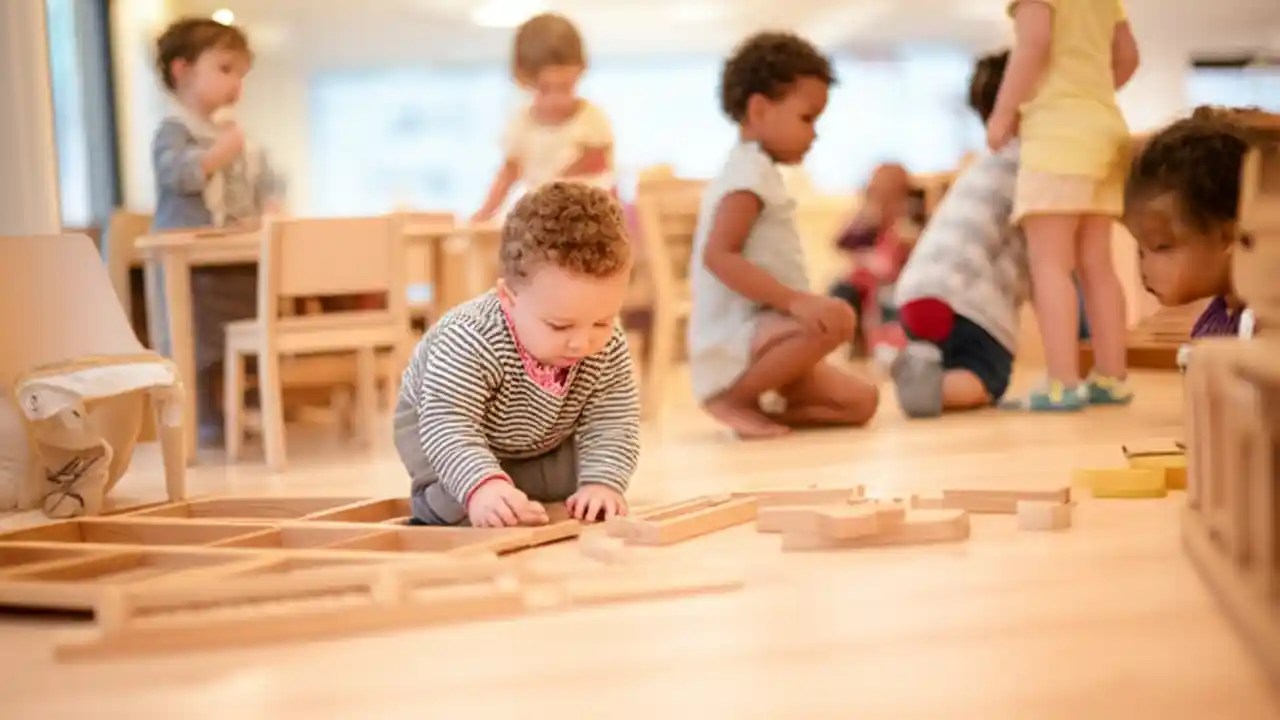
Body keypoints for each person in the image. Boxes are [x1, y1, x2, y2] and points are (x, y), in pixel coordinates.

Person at [395, 183, 639, 527]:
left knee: (575, 480)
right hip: (437, 417)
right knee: (457, 494)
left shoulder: (607, 342)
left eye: (601, 321)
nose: (582, 343)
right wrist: (481, 487)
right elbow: (449, 421)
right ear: (508, 298)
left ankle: (510, 489)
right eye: (559, 326)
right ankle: (463, 492)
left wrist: (603, 483)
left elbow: (614, 418)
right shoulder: (470, 337)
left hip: (539, 428)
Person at [688, 31, 879, 439]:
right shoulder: (746, 173)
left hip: (769, 337)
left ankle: (773, 408)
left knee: (863, 402)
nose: (814, 134)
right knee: (839, 318)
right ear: (758, 111)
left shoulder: (759, 170)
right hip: (736, 341)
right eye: (807, 119)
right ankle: (733, 398)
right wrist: (796, 301)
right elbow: (719, 256)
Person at [987, 0, 1141, 411]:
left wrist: (1003, 113)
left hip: (1058, 134)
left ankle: (1062, 382)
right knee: (1098, 263)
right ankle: (1111, 377)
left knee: (1050, 263)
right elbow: (1128, 58)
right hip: (1105, 128)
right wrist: (1091, 93)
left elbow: (1034, 42)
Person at [151, 18, 281, 443]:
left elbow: (266, 180)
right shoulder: (175, 129)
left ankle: (251, 406)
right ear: (182, 70)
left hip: (235, 257)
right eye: (225, 70)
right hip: (190, 266)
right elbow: (175, 175)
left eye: (241, 75)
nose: (236, 86)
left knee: (255, 316)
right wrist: (217, 154)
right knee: (201, 338)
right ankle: (208, 416)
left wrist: (270, 207)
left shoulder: (237, 134)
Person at [891, 51, 1030, 417]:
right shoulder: (1032, 162)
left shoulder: (983, 164)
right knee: (987, 376)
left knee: (953, 355)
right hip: (968, 300)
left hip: (918, 291)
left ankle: (918, 364)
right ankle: (929, 388)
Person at [1124, 107, 1257, 344]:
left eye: (1161, 246)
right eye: (1140, 250)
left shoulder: (1262, 329)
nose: (1144, 267)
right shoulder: (1219, 317)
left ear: (1229, 237)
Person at [472, 13, 614, 222]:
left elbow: (598, 161)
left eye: (566, 87)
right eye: (545, 89)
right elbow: (509, 173)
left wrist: (556, 185)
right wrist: (484, 213)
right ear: (525, 81)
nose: (557, 99)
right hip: (542, 218)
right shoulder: (521, 124)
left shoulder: (591, 118)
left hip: (586, 217)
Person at [829, 163, 920, 361]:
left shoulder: (910, 218)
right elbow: (842, 242)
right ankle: (858, 345)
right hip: (869, 285)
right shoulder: (868, 220)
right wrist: (868, 217)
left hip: (898, 284)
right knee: (842, 292)